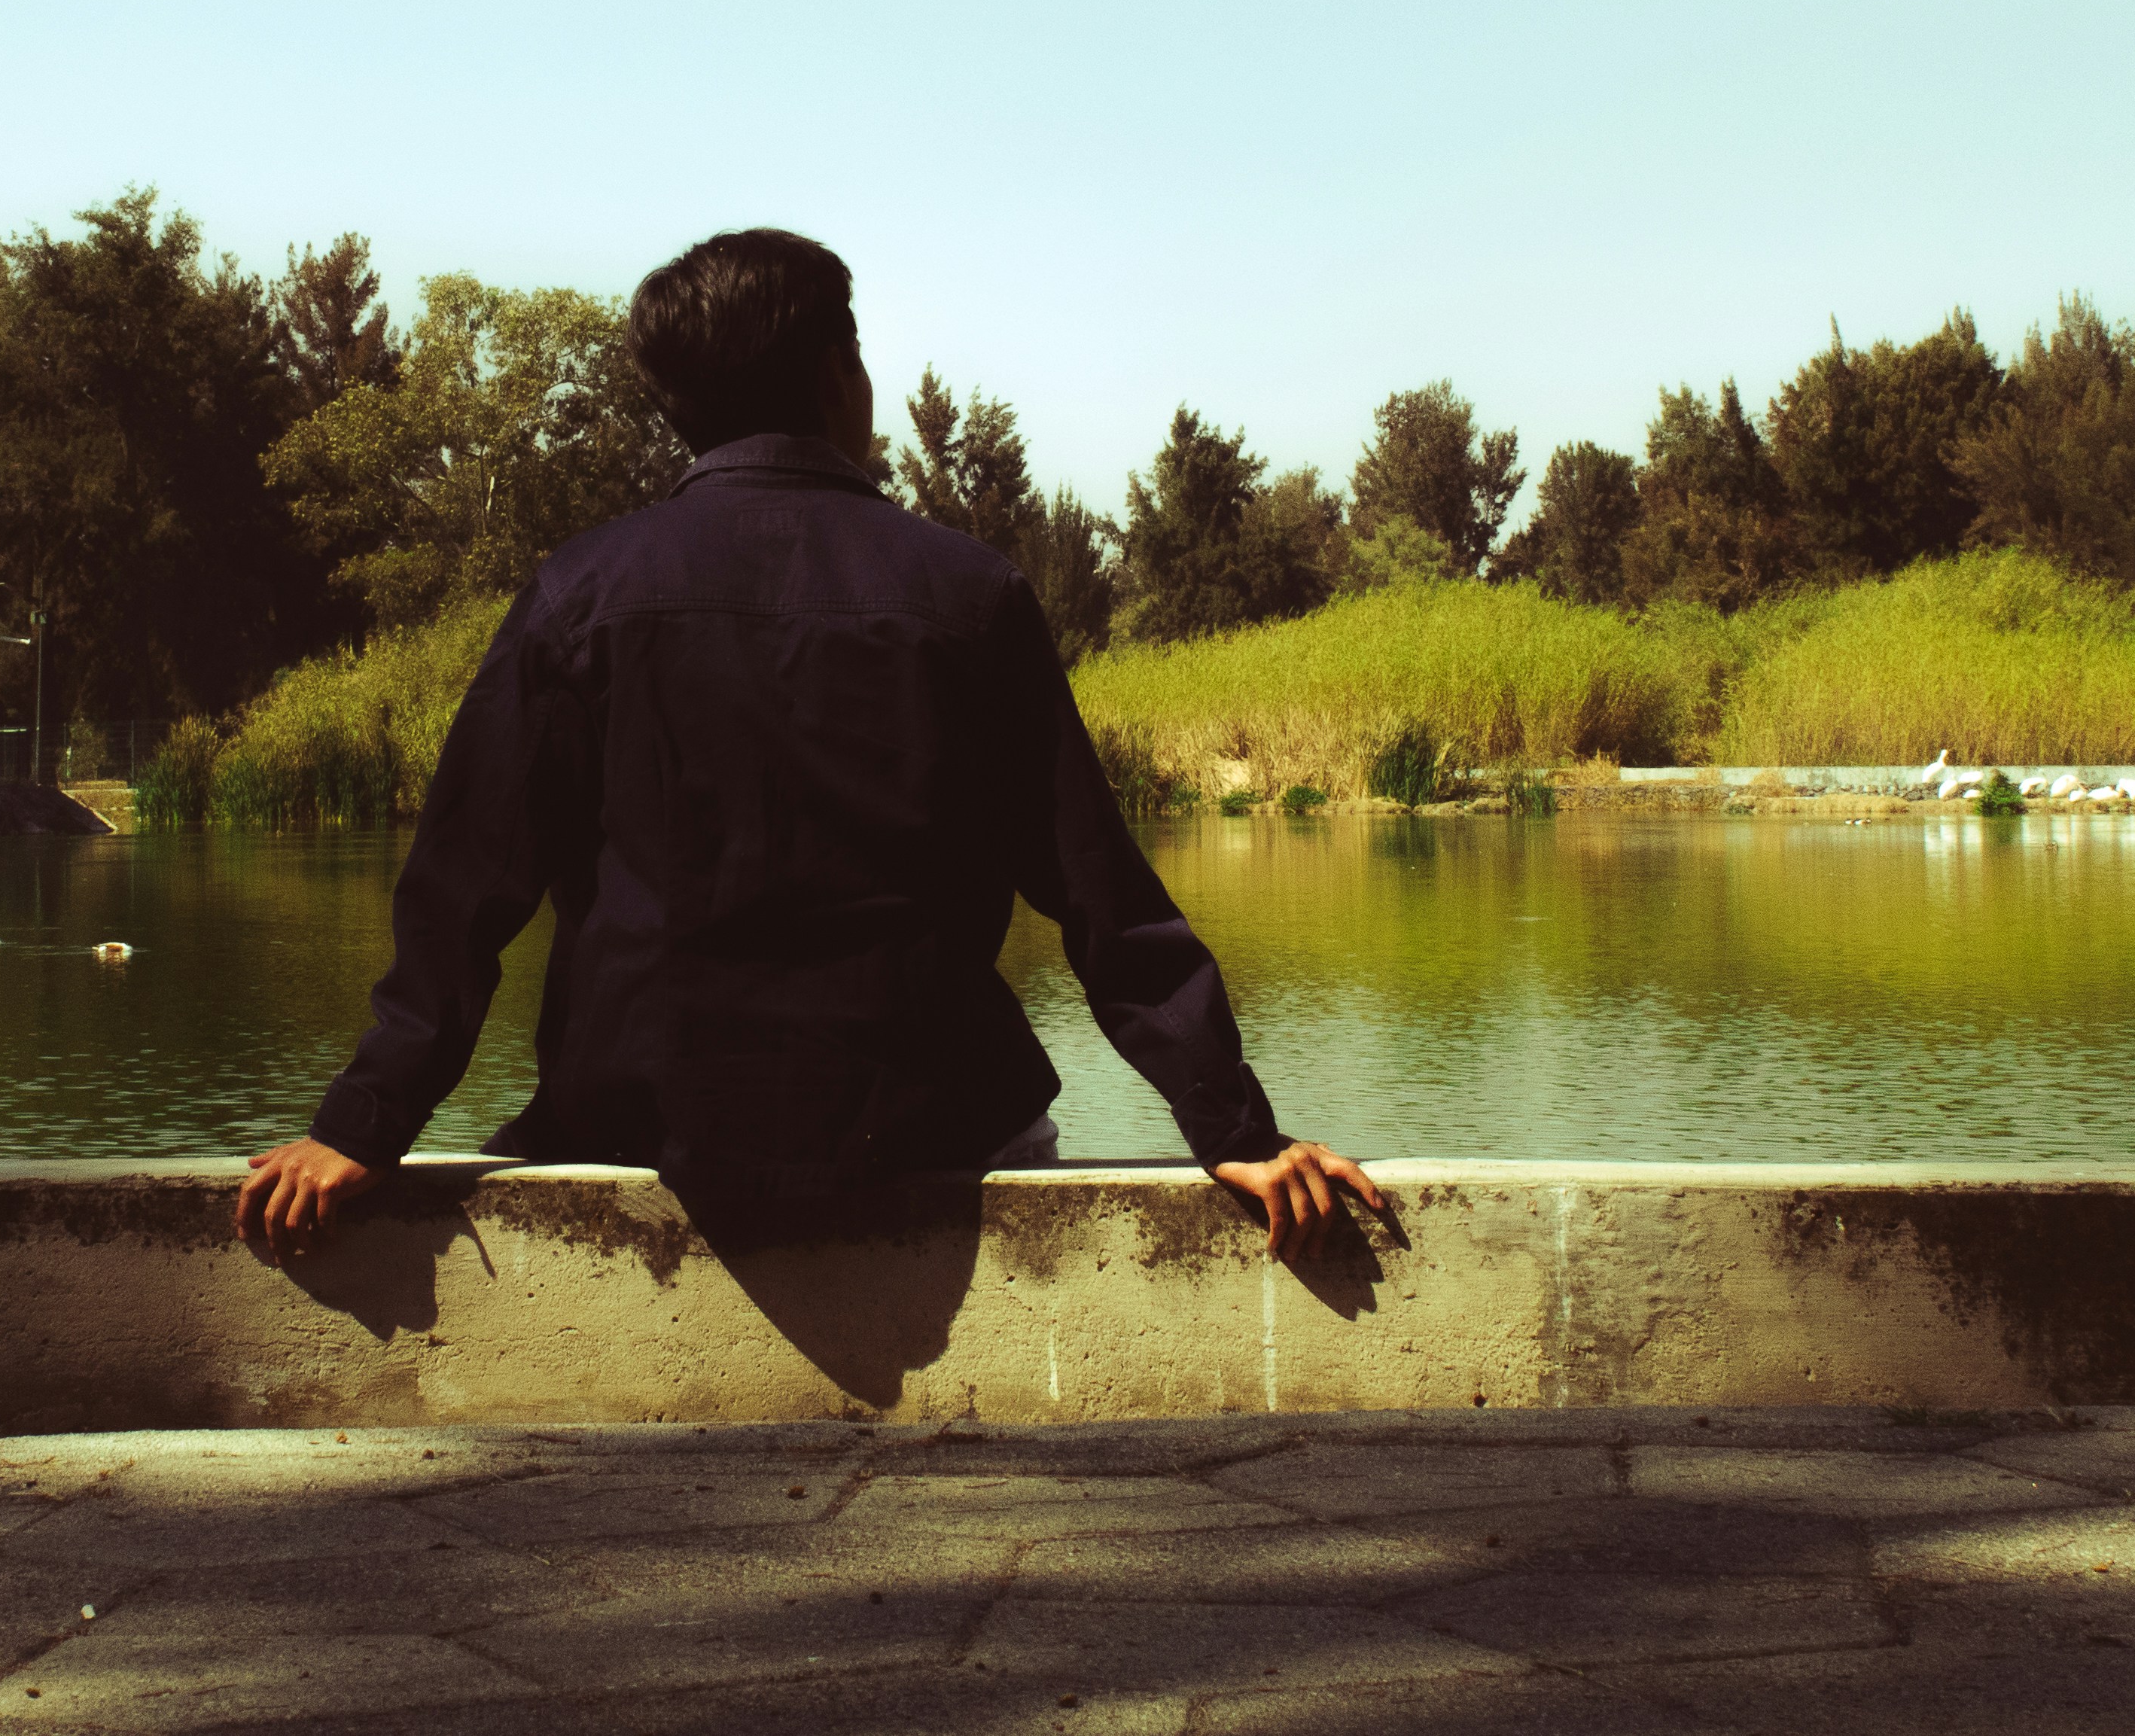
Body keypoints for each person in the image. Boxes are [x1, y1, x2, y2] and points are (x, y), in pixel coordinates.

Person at [236, 228, 1380, 1260]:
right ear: (840, 376)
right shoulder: (967, 596)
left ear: (675, 403)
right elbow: (1099, 898)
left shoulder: (578, 595)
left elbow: (462, 887)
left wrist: (363, 1124)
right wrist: (1233, 1128)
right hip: (927, 1116)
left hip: (639, 1114)